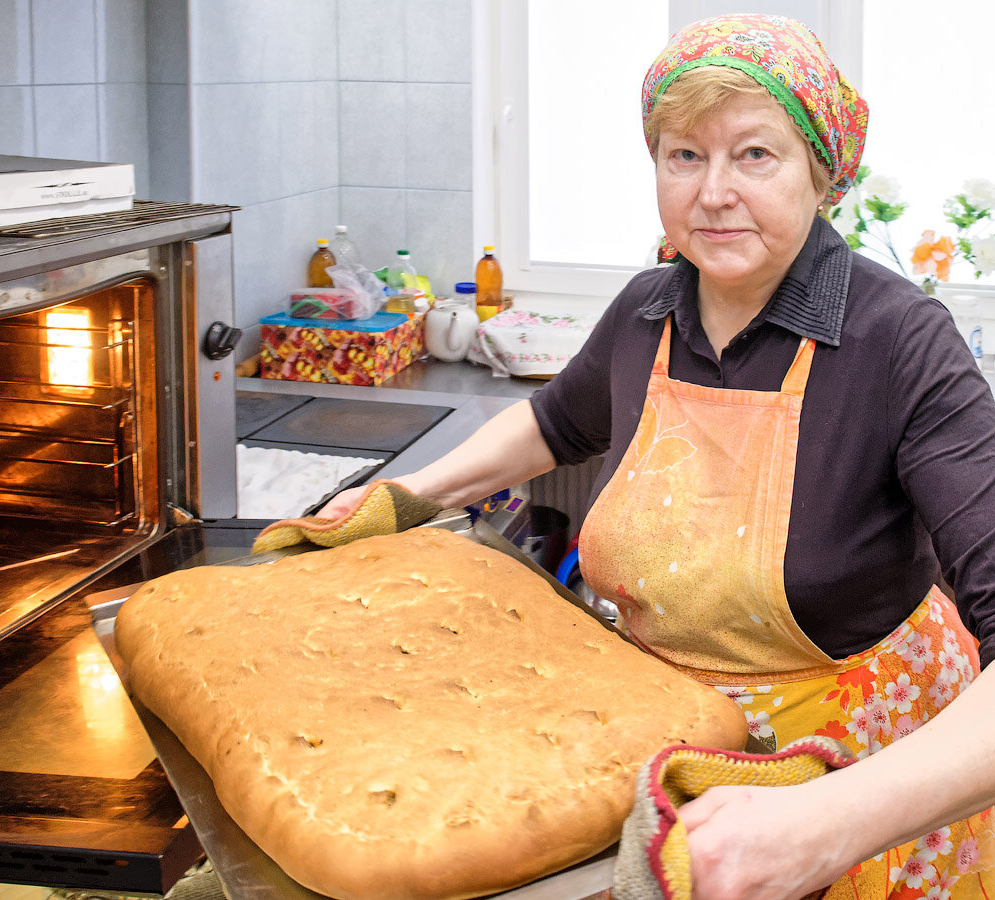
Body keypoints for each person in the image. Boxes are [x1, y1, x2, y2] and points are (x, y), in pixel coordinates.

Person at [319, 13, 995, 900]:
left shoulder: (900, 339)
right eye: (684, 156)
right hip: (672, 735)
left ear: (822, 174)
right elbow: (557, 422)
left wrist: (826, 826)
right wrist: (408, 493)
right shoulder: (648, 310)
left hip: (861, 769)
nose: (713, 192)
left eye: (755, 155)